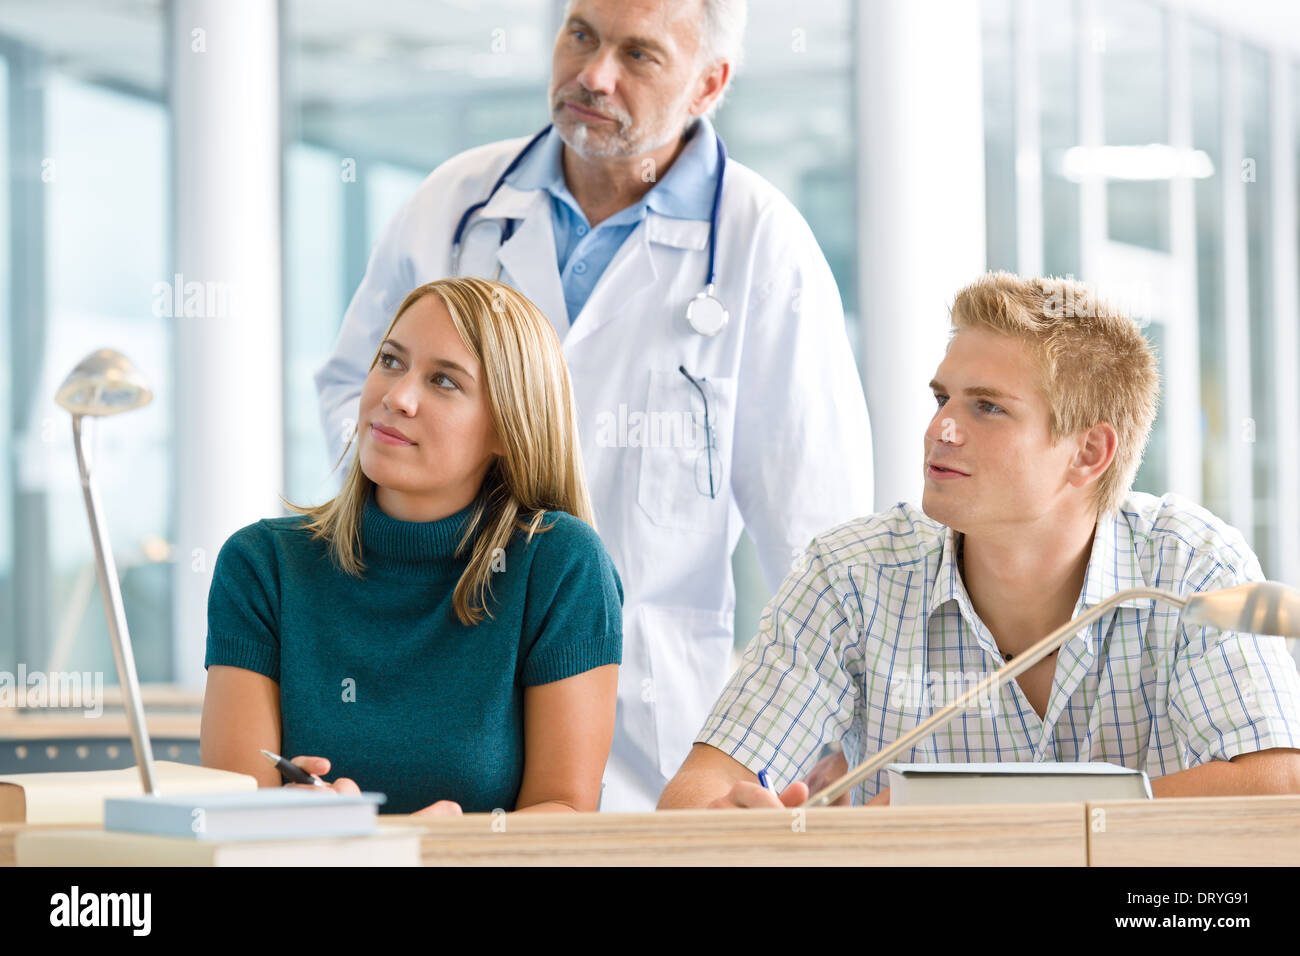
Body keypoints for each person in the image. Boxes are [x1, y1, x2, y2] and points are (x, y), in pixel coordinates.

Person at [313, 0, 873, 811]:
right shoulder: (456, 204)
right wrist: (417, 534)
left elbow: (816, 525)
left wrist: (833, 730)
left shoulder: (760, 245)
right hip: (450, 677)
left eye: (639, 55)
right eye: (581, 35)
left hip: (655, 729)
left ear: (709, 82)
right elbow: (353, 390)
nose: (593, 74)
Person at [658, 272, 1300, 810]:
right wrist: (742, 824)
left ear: (1089, 452)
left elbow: (1274, 786)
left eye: (986, 407)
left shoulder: (1186, 565)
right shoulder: (849, 573)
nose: (942, 428)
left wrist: (970, 819)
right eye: (943, 398)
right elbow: (696, 794)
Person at [201, 277, 623, 815]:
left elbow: (562, 813)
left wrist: (425, 851)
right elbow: (232, 818)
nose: (396, 397)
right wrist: (298, 818)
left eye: (444, 381)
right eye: (391, 361)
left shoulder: (561, 564)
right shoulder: (261, 566)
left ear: (508, 427)